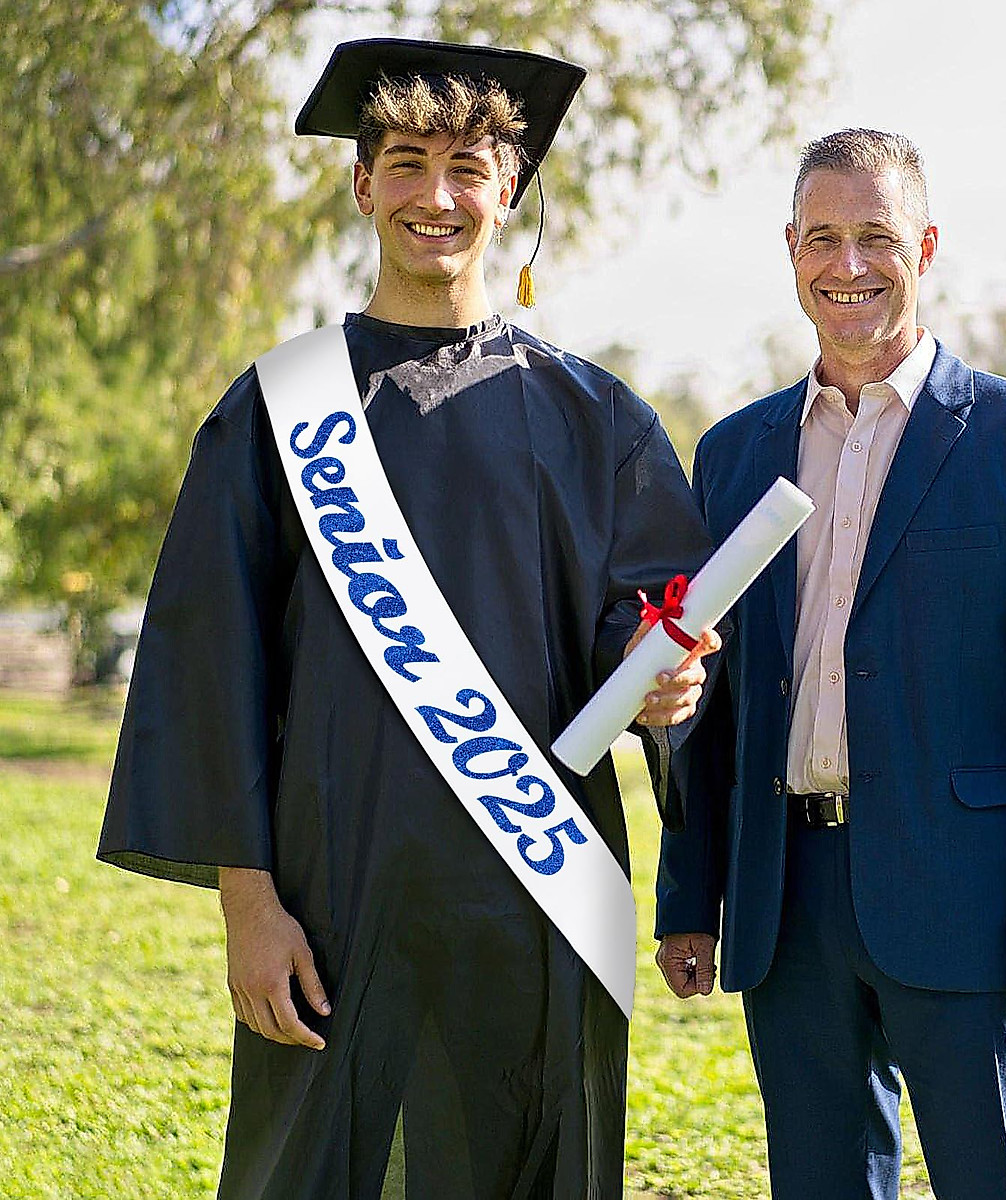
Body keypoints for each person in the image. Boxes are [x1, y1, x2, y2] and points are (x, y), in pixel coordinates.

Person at [99, 39, 716, 1200]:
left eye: (471, 168)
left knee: (530, 1158)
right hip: (334, 896)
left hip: (537, 885)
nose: (439, 196)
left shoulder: (599, 423)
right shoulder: (280, 410)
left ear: (511, 189)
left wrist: (668, 689)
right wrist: (247, 906)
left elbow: (646, 650)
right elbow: (208, 668)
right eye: (406, 161)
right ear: (362, 184)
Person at [654, 128, 1006, 1199]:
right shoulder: (732, 453)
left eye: (877, 235)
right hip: (788, 899)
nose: (849, 264)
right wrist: (692, 895)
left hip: (972, 900)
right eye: (824, 237)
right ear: (790, 249)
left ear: (927, 243)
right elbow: (707, 695)